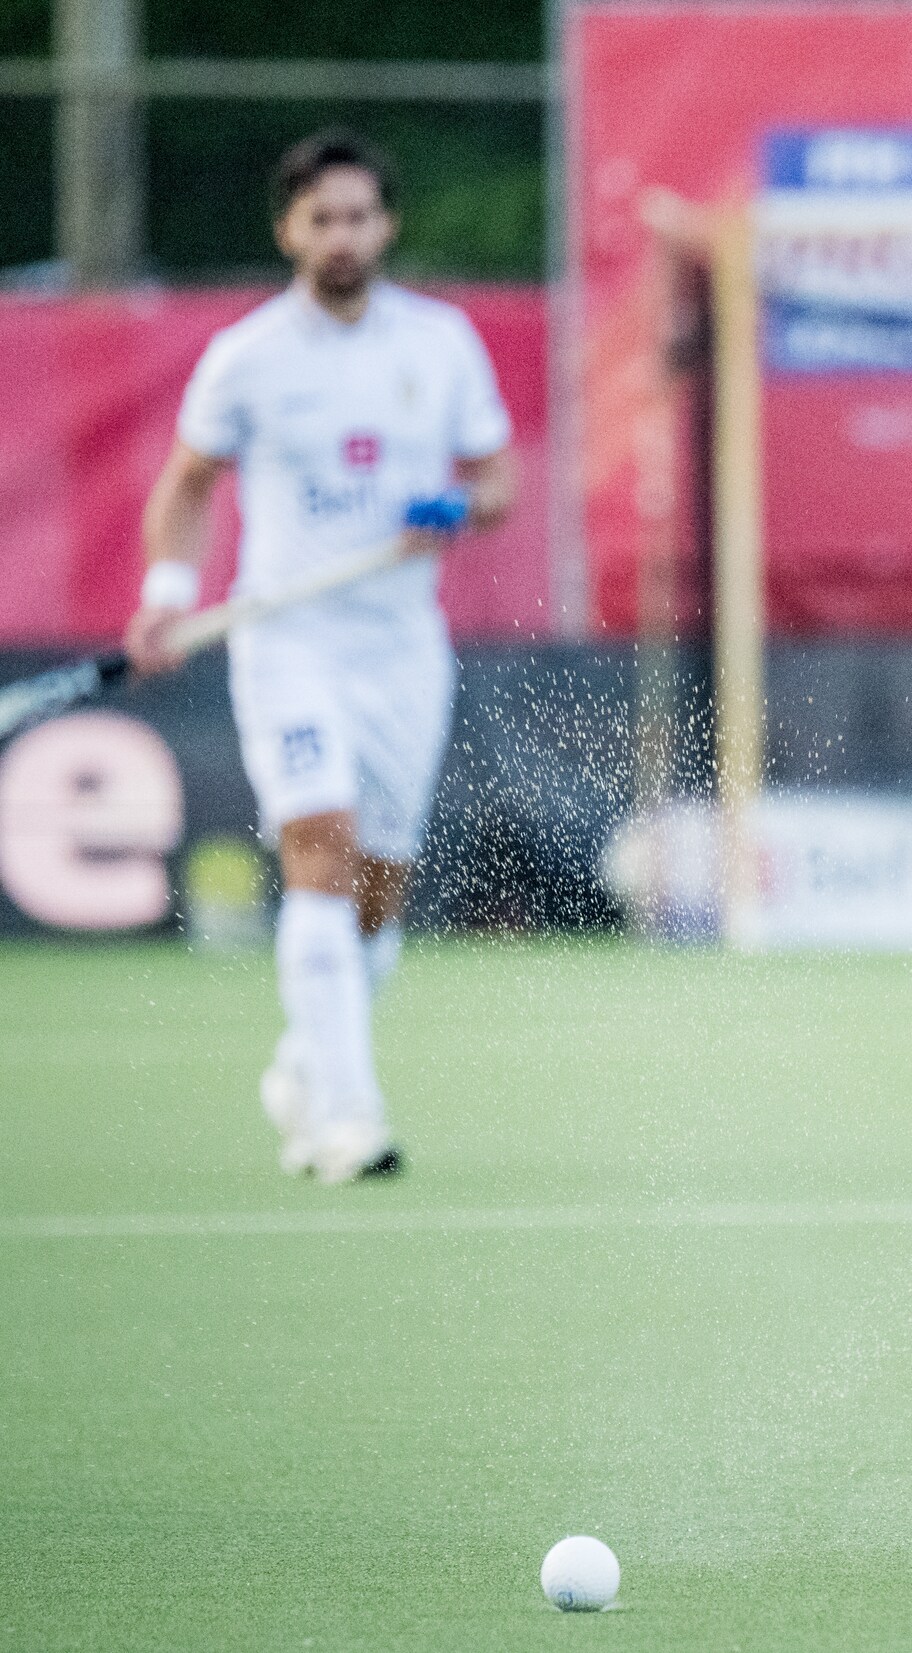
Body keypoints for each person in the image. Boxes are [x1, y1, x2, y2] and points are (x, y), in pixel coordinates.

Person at [123, 129, 516, 1182]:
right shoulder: (247, 358)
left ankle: (306, 1064)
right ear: (288, 230)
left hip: (400, 651)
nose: (342, 236)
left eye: (358, 216)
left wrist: (462, 504)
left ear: (384, 225)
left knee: (378, 893)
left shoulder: (439, 343)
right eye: (320, 219)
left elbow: (499, 482)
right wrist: (168, 596)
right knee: (321, 855)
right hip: (285, 640)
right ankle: (349, 1116)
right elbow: (190, 488)